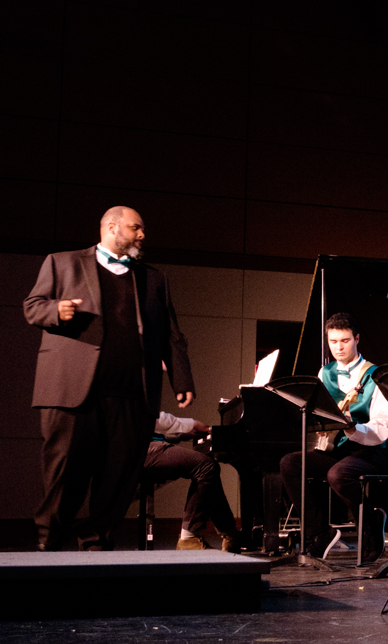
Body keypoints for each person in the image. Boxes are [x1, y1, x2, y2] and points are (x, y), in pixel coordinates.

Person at [24, 206, 193, 551]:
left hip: (132, 393)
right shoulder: (62, 262)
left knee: (117, 477)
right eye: (136, 228)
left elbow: (171, 334)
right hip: (73, 391)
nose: (142, 235)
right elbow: (32, 305)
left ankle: (97, 547)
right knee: (64, 475)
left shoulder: (153, 278)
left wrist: (182, 380)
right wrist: (56, 310)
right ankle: (48, 545)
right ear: (112, 227)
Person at [279, 313, 388, 561]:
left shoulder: (376, 375)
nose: (338, 347)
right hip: (337, 450)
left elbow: (383, 426)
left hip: (372, 451)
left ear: (357, 339)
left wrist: (354, 429)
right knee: (290, 463)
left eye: (344, 340)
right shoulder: (325, 372)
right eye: (333, 342)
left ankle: (371, 524)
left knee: (337, 474)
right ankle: (319, 532)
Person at [148, 411, 243, 551]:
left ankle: (230, 534)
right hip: (137, 449)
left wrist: (180, 433)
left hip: (140, 445)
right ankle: (189, 538)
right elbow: (148, 417)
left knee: (206, 467)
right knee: (206, 466)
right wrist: (189, 424)